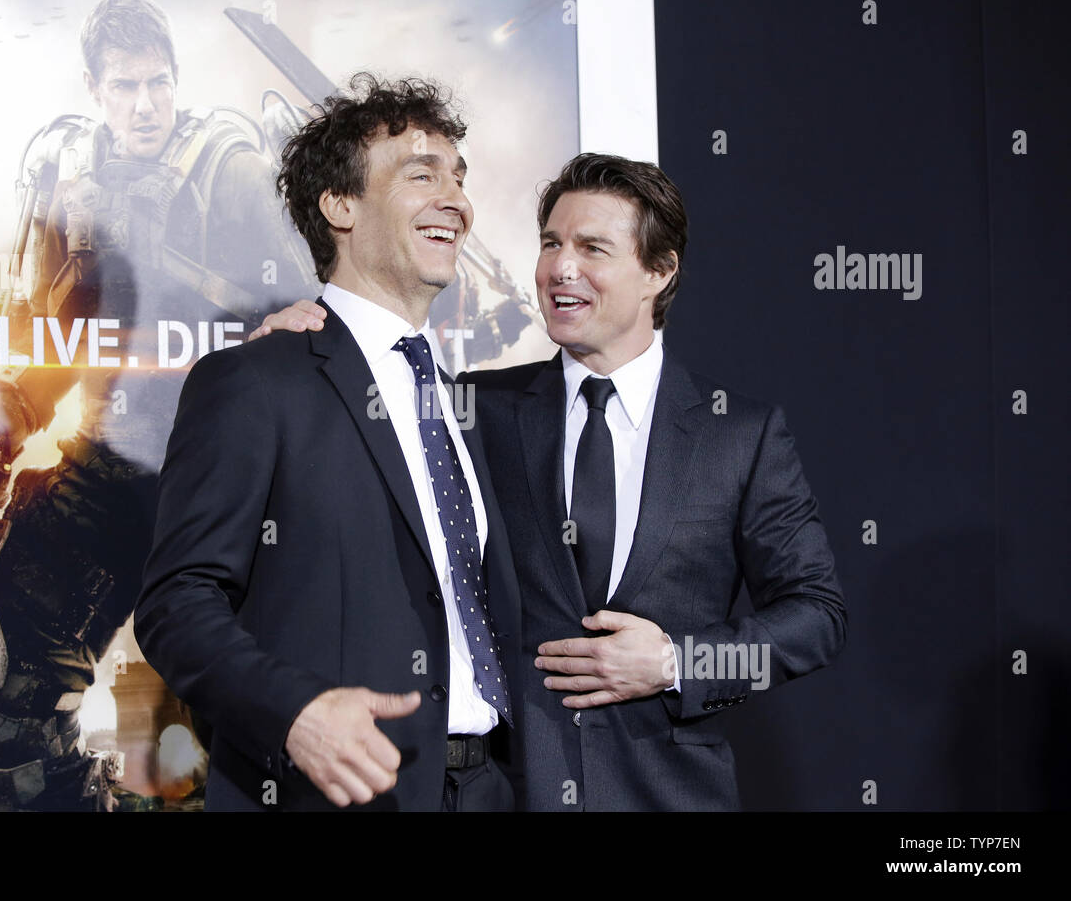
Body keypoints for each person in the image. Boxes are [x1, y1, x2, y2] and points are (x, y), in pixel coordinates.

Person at [255, 152, 848, 810]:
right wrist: (296, 353)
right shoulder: (469, 409)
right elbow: (353, 415)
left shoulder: (739, 435)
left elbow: (817, 617)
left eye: (592, 247)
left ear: (659, 270)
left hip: (670, 794)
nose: (560, 268)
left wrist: (678, 662)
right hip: (511, 793)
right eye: (550, 243)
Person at [0, 0, 317, 810]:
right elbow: (41, 343)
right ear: (94, 88)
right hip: (106, 469)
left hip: (224, 483)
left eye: (160, 84)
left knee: (278, 719)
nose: (146, 104)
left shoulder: (229, 170)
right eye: (127, 86)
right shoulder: (68, 180)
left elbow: (318, 317)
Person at [134, 73, 524, 811]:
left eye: (459, 178)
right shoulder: (254, 382)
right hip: (331, 794)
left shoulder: (473, 406)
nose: (457, 201)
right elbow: (176, 603)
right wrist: (296, 715)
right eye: (421, 174)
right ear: (340, 205)